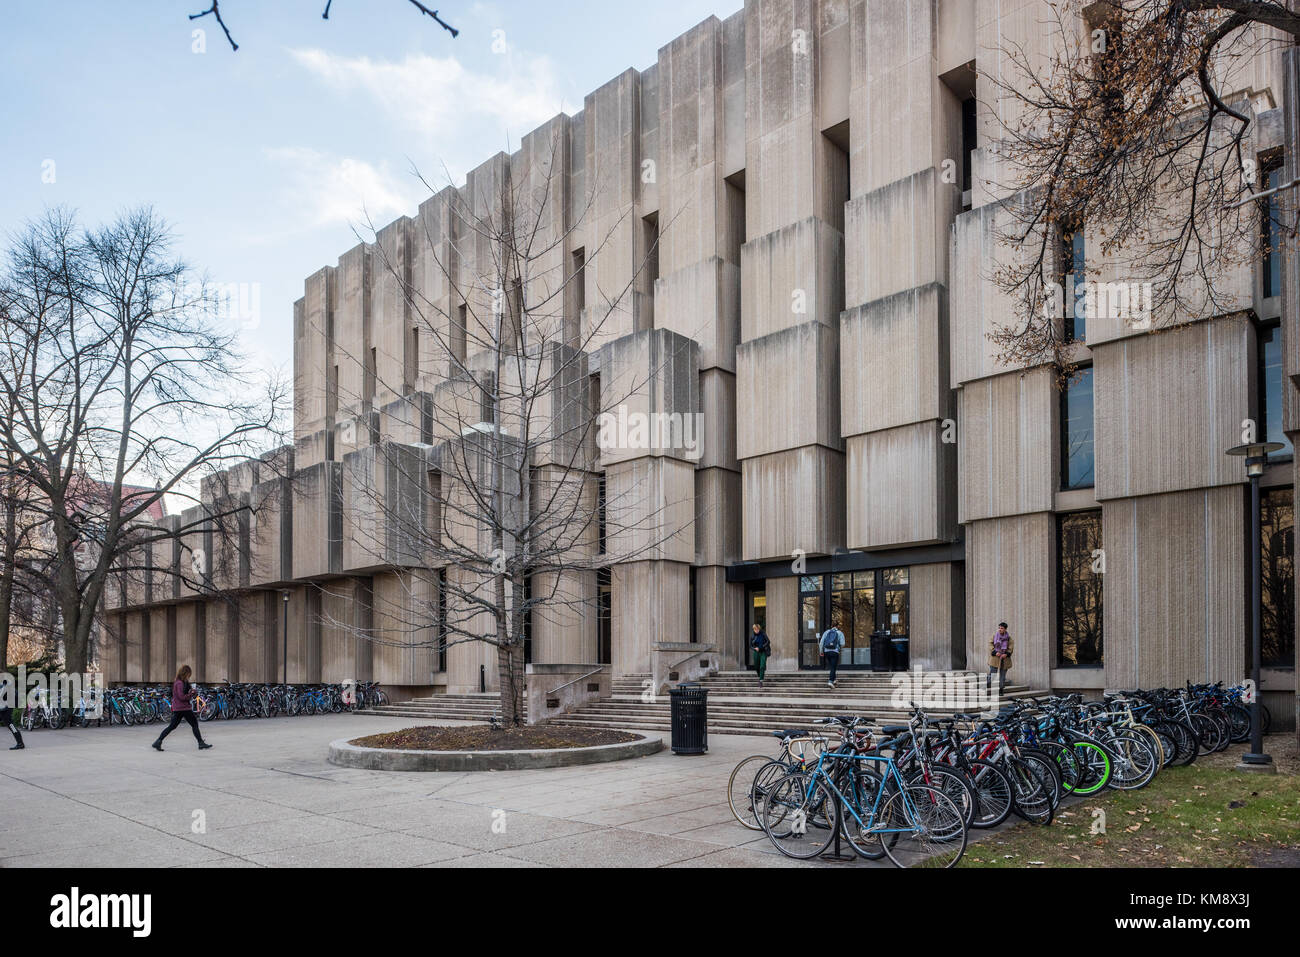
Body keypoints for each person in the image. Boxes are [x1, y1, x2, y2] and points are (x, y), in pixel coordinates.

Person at [152, 665, 212, 752]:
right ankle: (201, 743)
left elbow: (186, 695)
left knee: (172, 726)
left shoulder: (181, 682)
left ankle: (158, 741)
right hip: (183, 708)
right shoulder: (180, 683)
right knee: (194, 724)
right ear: (185, 673)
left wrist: (193, 692)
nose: (189, 676)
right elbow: (182, 697)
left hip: (178, 708)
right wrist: (190, 694)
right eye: (188, 674)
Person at [988, 622, 1014, 696]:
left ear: (1005, 629)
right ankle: (987, 683)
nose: (1000, 629)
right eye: (999, 628)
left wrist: (1006, 654)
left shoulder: (1009, 638)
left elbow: (1011, 648)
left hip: (1004, 659)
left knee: (1002, 676)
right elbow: (990, 644)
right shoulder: (994, 636)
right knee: (992, 674)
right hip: (995, 658)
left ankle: (1001, 689)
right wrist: (994, 652)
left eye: (1002, 628)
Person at [819, 621, 845, 688]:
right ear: (838, 626)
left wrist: (821, 651)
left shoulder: (826, 632)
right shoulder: (839, 633)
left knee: (832, 666)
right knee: (833, 667)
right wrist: (839, 649)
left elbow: (821, 642)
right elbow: (842, 644)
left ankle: (834, 680)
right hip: (834, 652)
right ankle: (830, 681)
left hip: (827, 651)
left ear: (831, 626)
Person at [750, 623, 771, 688]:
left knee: (762, 666)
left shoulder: (763, 634)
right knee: (756, 666)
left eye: (757, 629)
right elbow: (750, 645)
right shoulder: (753, 636)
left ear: (759, 629)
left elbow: (768, 641)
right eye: (754, 629)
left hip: (763, 651)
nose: (756, 630)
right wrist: (754, 648)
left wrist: (761, 647)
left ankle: (761, 681)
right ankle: (760, 675)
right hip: (756, 652)